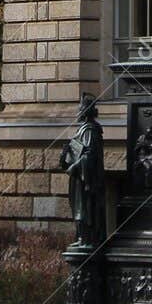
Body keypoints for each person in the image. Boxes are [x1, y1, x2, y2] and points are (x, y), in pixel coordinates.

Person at [59, 96, 105, 246]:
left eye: (80, 110)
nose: (77, 113)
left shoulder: (89, 130)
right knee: (79, 207)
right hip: (79, 178)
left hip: (86, 179)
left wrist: (74, 166)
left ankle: (86, 238)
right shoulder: (84, 129)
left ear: (85, 112)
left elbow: (89, 154)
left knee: (83, 208)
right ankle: (81, 238)